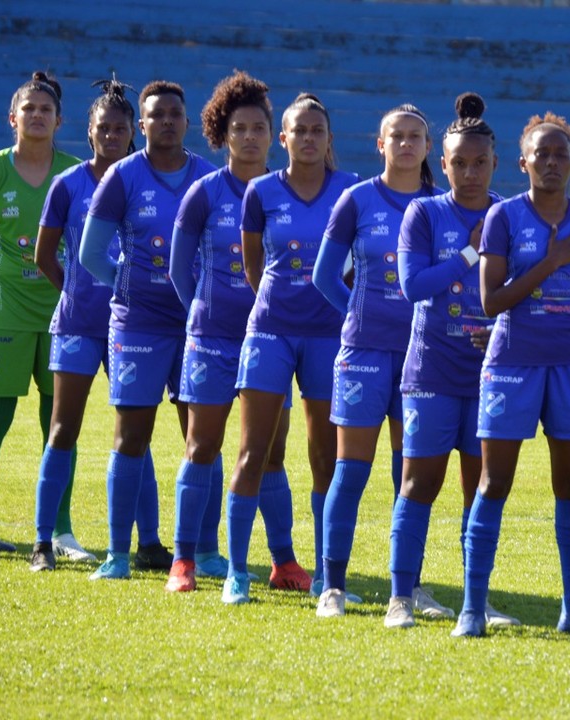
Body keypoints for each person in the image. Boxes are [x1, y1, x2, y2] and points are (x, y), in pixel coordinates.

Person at [451, 110, 570, 638]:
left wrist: (554, 287)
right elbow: (491, 300)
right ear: (522, 163)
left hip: (569, 365)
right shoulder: (503, 219)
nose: (550, 161)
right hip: (511, 362)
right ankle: (473, 607)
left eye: (559, 153)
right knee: (494, 482)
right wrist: (548, 262)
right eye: (540, 153)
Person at [220, 93, 358, 605]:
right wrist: (277, 308)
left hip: (328, 336)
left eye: (316, 131)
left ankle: (326, 578)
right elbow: (254, 267)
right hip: (270, 332)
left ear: (328, 139)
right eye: (298, 131)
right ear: (284, 138)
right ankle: (237, 572)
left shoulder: (350, 191)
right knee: (253, 451)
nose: (307, 139)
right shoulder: (260, 191)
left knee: (326, 459)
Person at [79, 80, 215, 580]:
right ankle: (118, 554)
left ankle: (205, 550)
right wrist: (127, 284)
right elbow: (92, 253)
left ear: (187, 120)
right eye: (156, 115)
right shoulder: (122, 176)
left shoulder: (208, 177)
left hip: (198, 325)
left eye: (175, 114)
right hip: (137, 322)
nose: (167, 122)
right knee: (130, 436)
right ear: (143, 125)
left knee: (201, 435)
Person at [386, 92, 511, 628]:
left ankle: (475, 600)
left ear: (495, 164)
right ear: (444, 164)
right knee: (419, 483)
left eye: (480, 162)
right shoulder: (424, 212)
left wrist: (500, 328)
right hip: (433, 369)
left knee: (479, 487)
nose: (470, 172)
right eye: (459, 162)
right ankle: (400, 596)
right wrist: (469, 252)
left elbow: (524, 292)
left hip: (491, 372)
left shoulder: (510, 214)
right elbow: (414, 286)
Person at [311, 102, 436, 615]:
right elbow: (323, 276)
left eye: (415, 137)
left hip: (425, 359)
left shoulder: (441, 205)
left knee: (411, 475)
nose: (406, 144)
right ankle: (332, 586)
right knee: (350, 469)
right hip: (364, 353)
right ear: (380, 144)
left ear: (429, 148)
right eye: (397, 136)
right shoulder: (357, 200)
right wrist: (356, 318)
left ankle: (408, 588)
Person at [166, 70, 289, 592]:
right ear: (222, 133)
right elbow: (178, 269)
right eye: (239, 128)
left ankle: (284, 563)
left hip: (269, 341)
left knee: (270, 453)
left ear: (272, 134)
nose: (250, 136)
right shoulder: (204, 192)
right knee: (203, 447)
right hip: (212, 339)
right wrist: (203, 314)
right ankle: (183, 562)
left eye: (259, 127)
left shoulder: (286, 190)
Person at [0, 72, 80, 561]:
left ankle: (61, 531)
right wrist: (0, 283)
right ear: (13, 118)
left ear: (59, 119)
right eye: (28, 109)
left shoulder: (74, 173)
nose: (37, 116)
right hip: (3, 317)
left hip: (60, 317)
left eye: (46, 110)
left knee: (60, 424)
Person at [27, 78, 137, 571]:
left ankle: (150, 541)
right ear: (88, 133)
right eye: (102, 129)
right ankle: (42, 541)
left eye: (119, 128)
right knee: (62, 430)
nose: (111, 136)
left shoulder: (143, 179)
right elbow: (44, 255)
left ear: (132, 132)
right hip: (76, 325)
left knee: (133, 430)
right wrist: (74, 289)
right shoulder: (67, 184)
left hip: (133, 328)